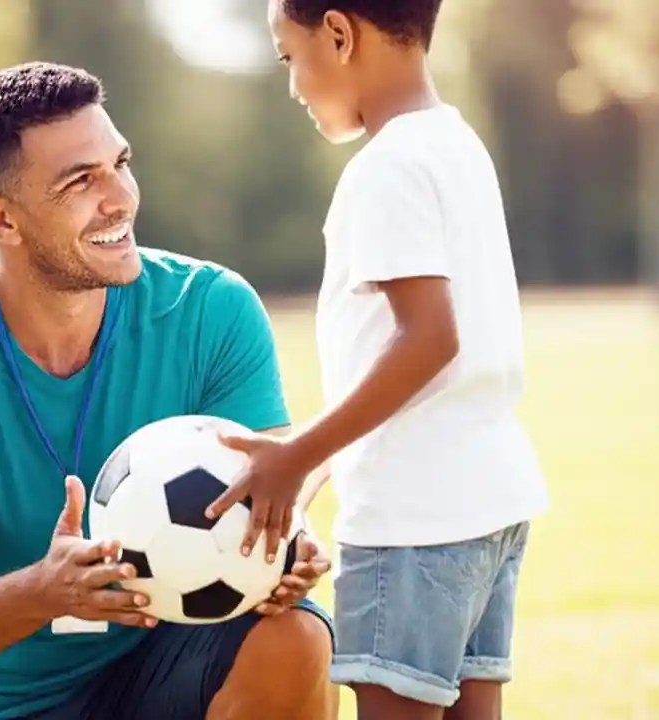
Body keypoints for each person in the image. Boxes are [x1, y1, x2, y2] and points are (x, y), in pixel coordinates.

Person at [0, 61, 336, 720]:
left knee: (295, 635)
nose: (121, 198)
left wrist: (285, 545)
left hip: (157, 674)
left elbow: (275, 487)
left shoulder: (211, 311)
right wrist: (43, 594)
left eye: (120, 163)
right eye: (81, 180)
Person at [204, 2, 550, 718]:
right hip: (490, 502)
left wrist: (299, 451)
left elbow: (428, 340)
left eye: (288, 57)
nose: (294, 85)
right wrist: (314, 461)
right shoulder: (457, 147)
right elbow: (422, 360)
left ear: (338, 33)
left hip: (414, 524)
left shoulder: (385, 170)